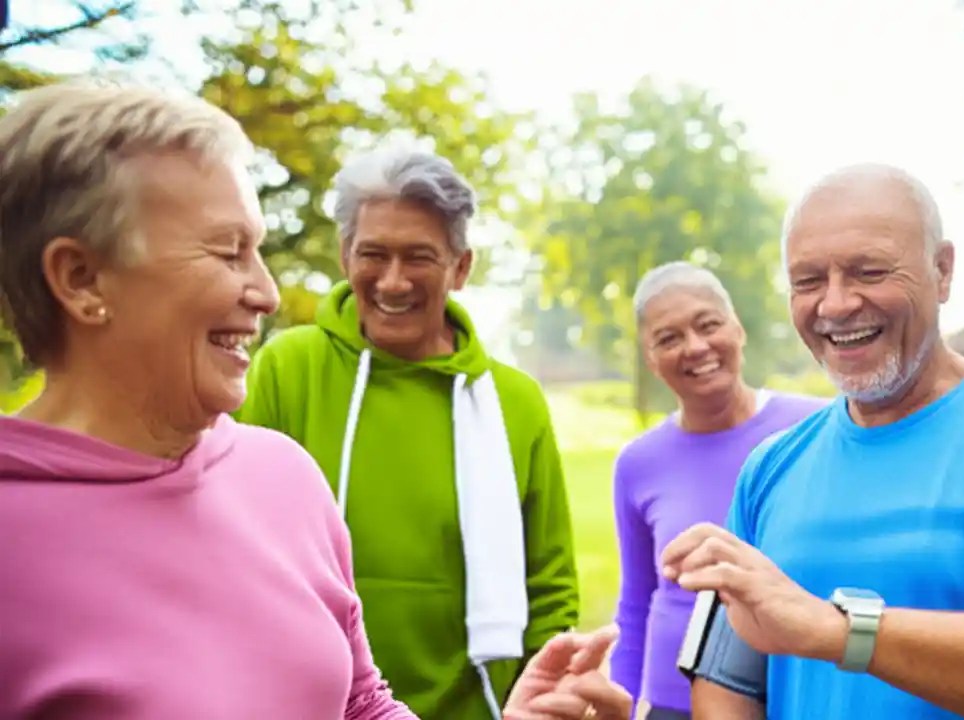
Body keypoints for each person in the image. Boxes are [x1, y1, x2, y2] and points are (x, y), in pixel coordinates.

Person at [0, 81, 627, 720]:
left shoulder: (282, 474)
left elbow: (360, 703)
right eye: (228, 252)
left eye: (258, 250)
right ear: (81, 279)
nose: (268, 294)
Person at [660, 164, 964, 719]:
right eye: (808, 281)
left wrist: (841, 631)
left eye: (868, 271)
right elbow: (728, 680)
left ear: (942, 271)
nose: (836, 304)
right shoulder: (771, 467)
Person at [234, 138, 579, 718]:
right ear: (345, 256)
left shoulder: (515, 402)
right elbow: (233, 547)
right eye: (374, 254)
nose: (393, 282)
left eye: (418, 257)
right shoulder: (286, 370)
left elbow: (550, 584)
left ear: (461, 267)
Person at [610, 262, 825, 719]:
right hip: (674, 702)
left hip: (793, 691)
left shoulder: (817, 428)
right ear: (650, 359)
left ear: (738, 329)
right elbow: (635, 603)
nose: (696, 347)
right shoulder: (637, 463)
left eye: (708, 325)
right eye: (669, 338)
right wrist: (623, 707)